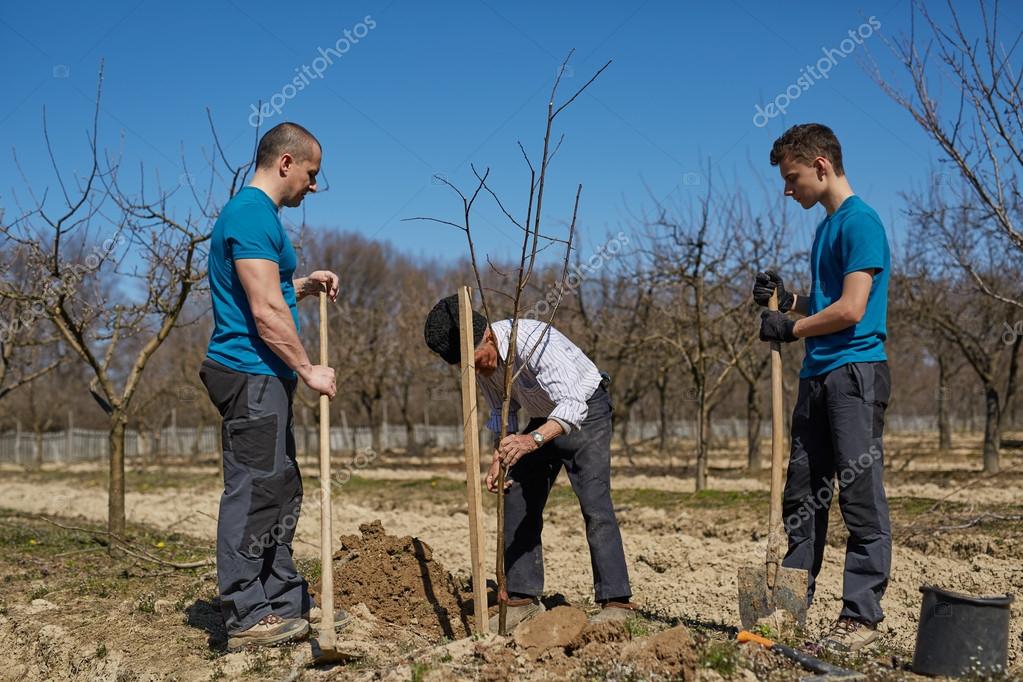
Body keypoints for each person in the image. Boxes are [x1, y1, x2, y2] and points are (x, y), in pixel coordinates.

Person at [200, 122, 347, 652]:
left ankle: (283, 599)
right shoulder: (249, 214)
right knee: (255, 489)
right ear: (286, 163)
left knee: (281, 487)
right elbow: (263, 311)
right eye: (312, 174)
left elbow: (271, 291)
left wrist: (305, 284)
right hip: (249, 372)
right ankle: (243, 612)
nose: (314, 186)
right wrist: (309, 369)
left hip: (266, 374)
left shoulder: (263, 219)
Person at [755, 123, 892, 653]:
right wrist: (788, 304)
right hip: (817, 375)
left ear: (821, 165)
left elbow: (853, 309)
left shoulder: (862, 223)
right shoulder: (825, 229)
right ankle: (790, 610)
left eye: (791, 179)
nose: (787, 191)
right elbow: (826, 304)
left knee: (859, 497)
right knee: (803, 498)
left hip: (855, 373)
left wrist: (791, 330)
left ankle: (860, 618)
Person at [424, 296, 636, 633]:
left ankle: (616, 601)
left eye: (479, 360)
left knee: (595, 504)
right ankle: (523, 600)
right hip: (542, 418)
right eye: (470, 367)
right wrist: (500, 454)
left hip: (586, 412)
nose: (479, 370)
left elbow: (571, 405)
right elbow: (501, 410)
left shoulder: (534, 342)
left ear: (489, 337)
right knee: (516, 491)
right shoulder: (479, 362)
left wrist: (531, 441)